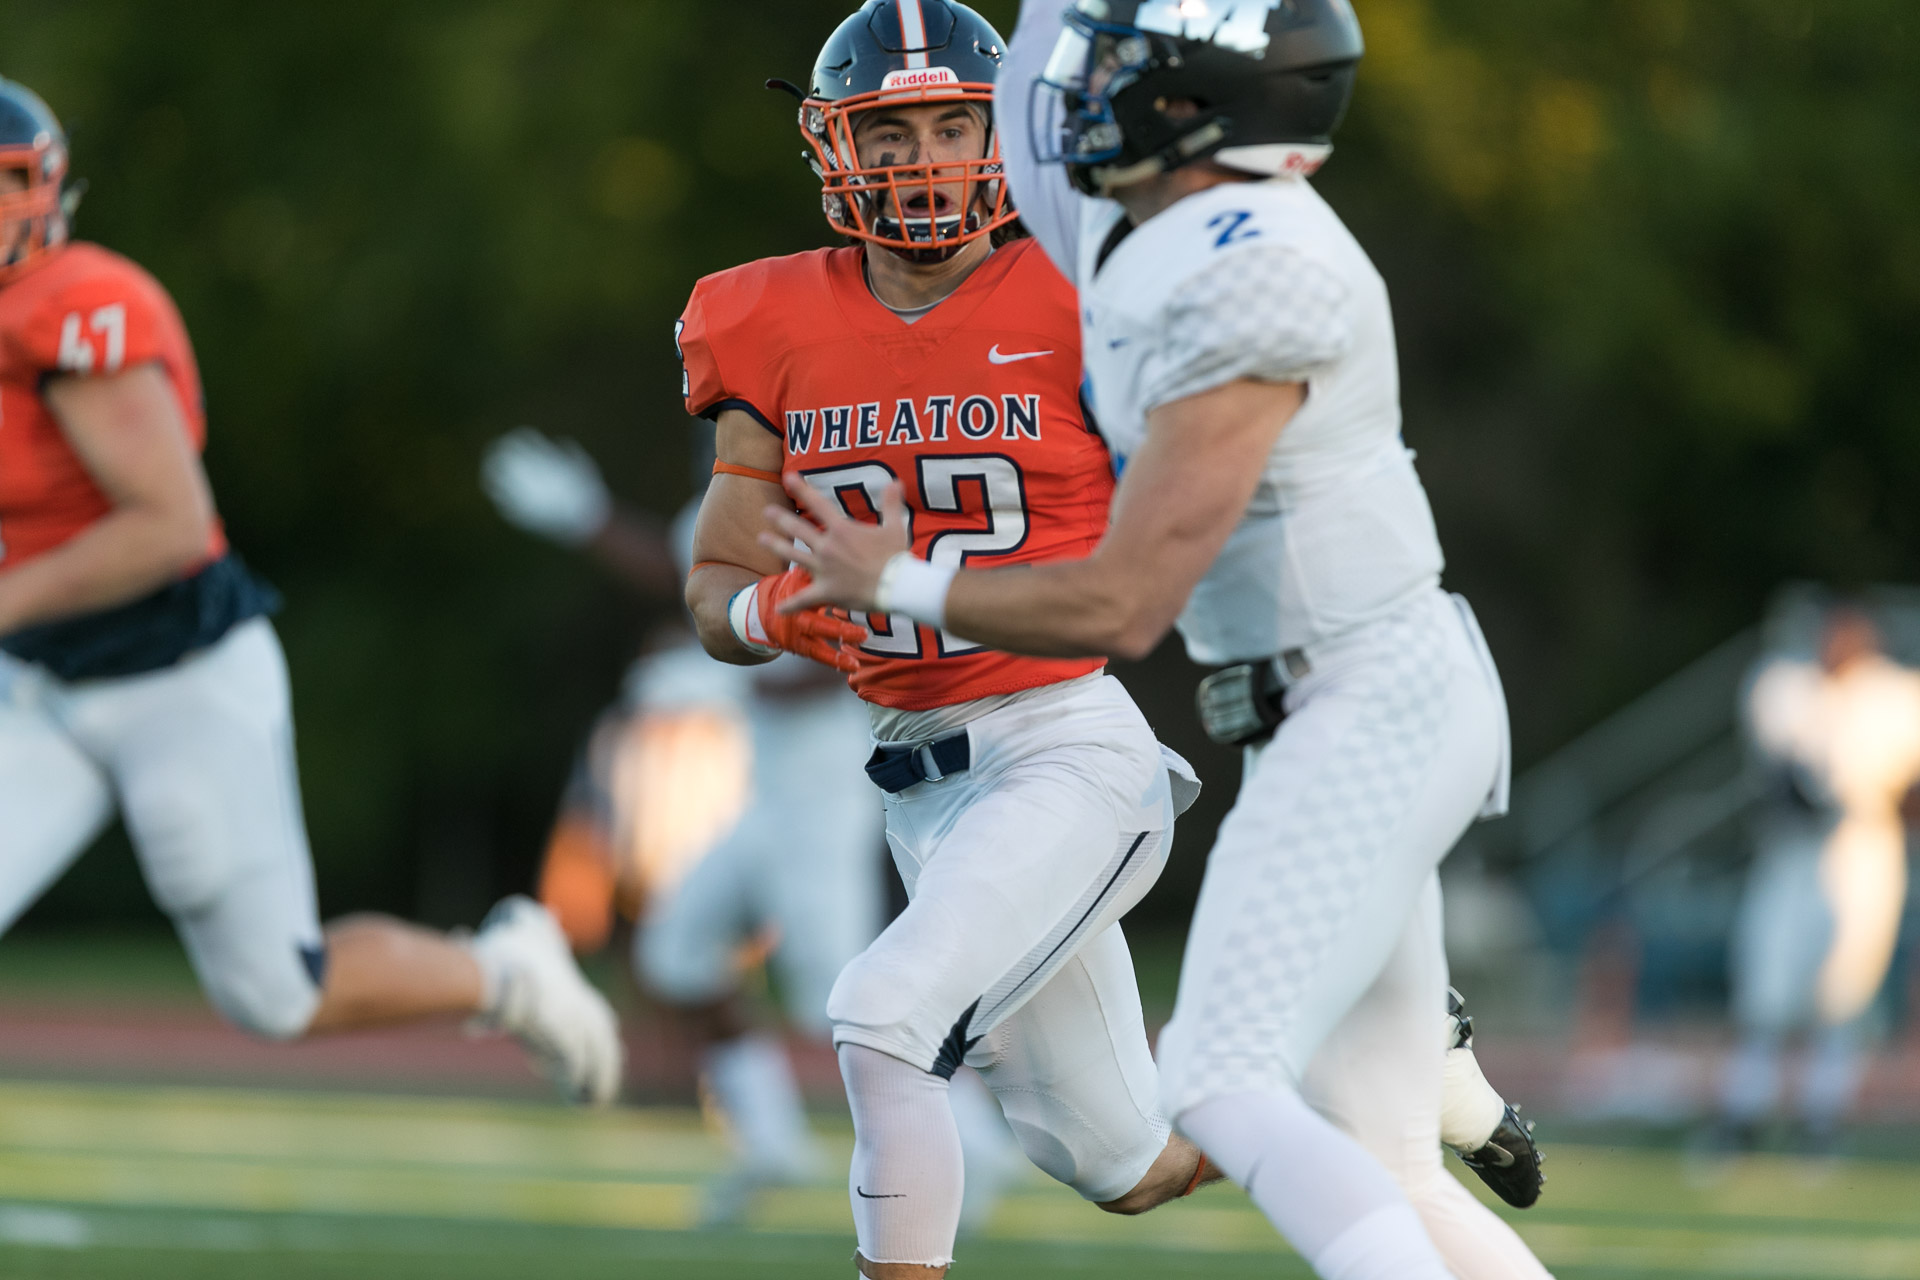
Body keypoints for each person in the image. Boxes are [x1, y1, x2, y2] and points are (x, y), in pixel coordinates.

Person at [763, 3, 1554, 1277]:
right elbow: (1028, 88)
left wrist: (897, 577)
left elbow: (1124, 606)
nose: (1076, 98)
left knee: (1221, 1079)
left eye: (1121, 76)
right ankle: (1441, 1075)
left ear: (1195, 106)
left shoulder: (1258, 267)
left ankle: (1434, 1067)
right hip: (1331, 699)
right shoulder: (1155, 226)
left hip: (1365, 697)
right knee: (1375, 1152)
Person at [0, 79, 620, 1105]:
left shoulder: (72, 304)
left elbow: (164, 526)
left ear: (48, 188)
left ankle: (508, 972)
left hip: (175, 675)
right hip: (36, 684)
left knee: (276, 992)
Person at [482, 428, 1024, 1228]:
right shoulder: (739, 512)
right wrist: (585, 517)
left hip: (825, 800)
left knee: (842, 1001)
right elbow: (682, 570)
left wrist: (722, 689)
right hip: (763, 800)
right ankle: (768, 1140)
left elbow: (843, 656)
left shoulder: (830, 518)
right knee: (677, 951)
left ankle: (979, 1142)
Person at [1714, 601, 1920, 1149]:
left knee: (1845, 993)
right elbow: (1786, 783)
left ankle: (1820, 1117)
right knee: (1767, 989)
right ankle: (1744, 1112)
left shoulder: (1898, 696)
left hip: (1865, 852)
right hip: (1794, 852)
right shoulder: (1785, 686)